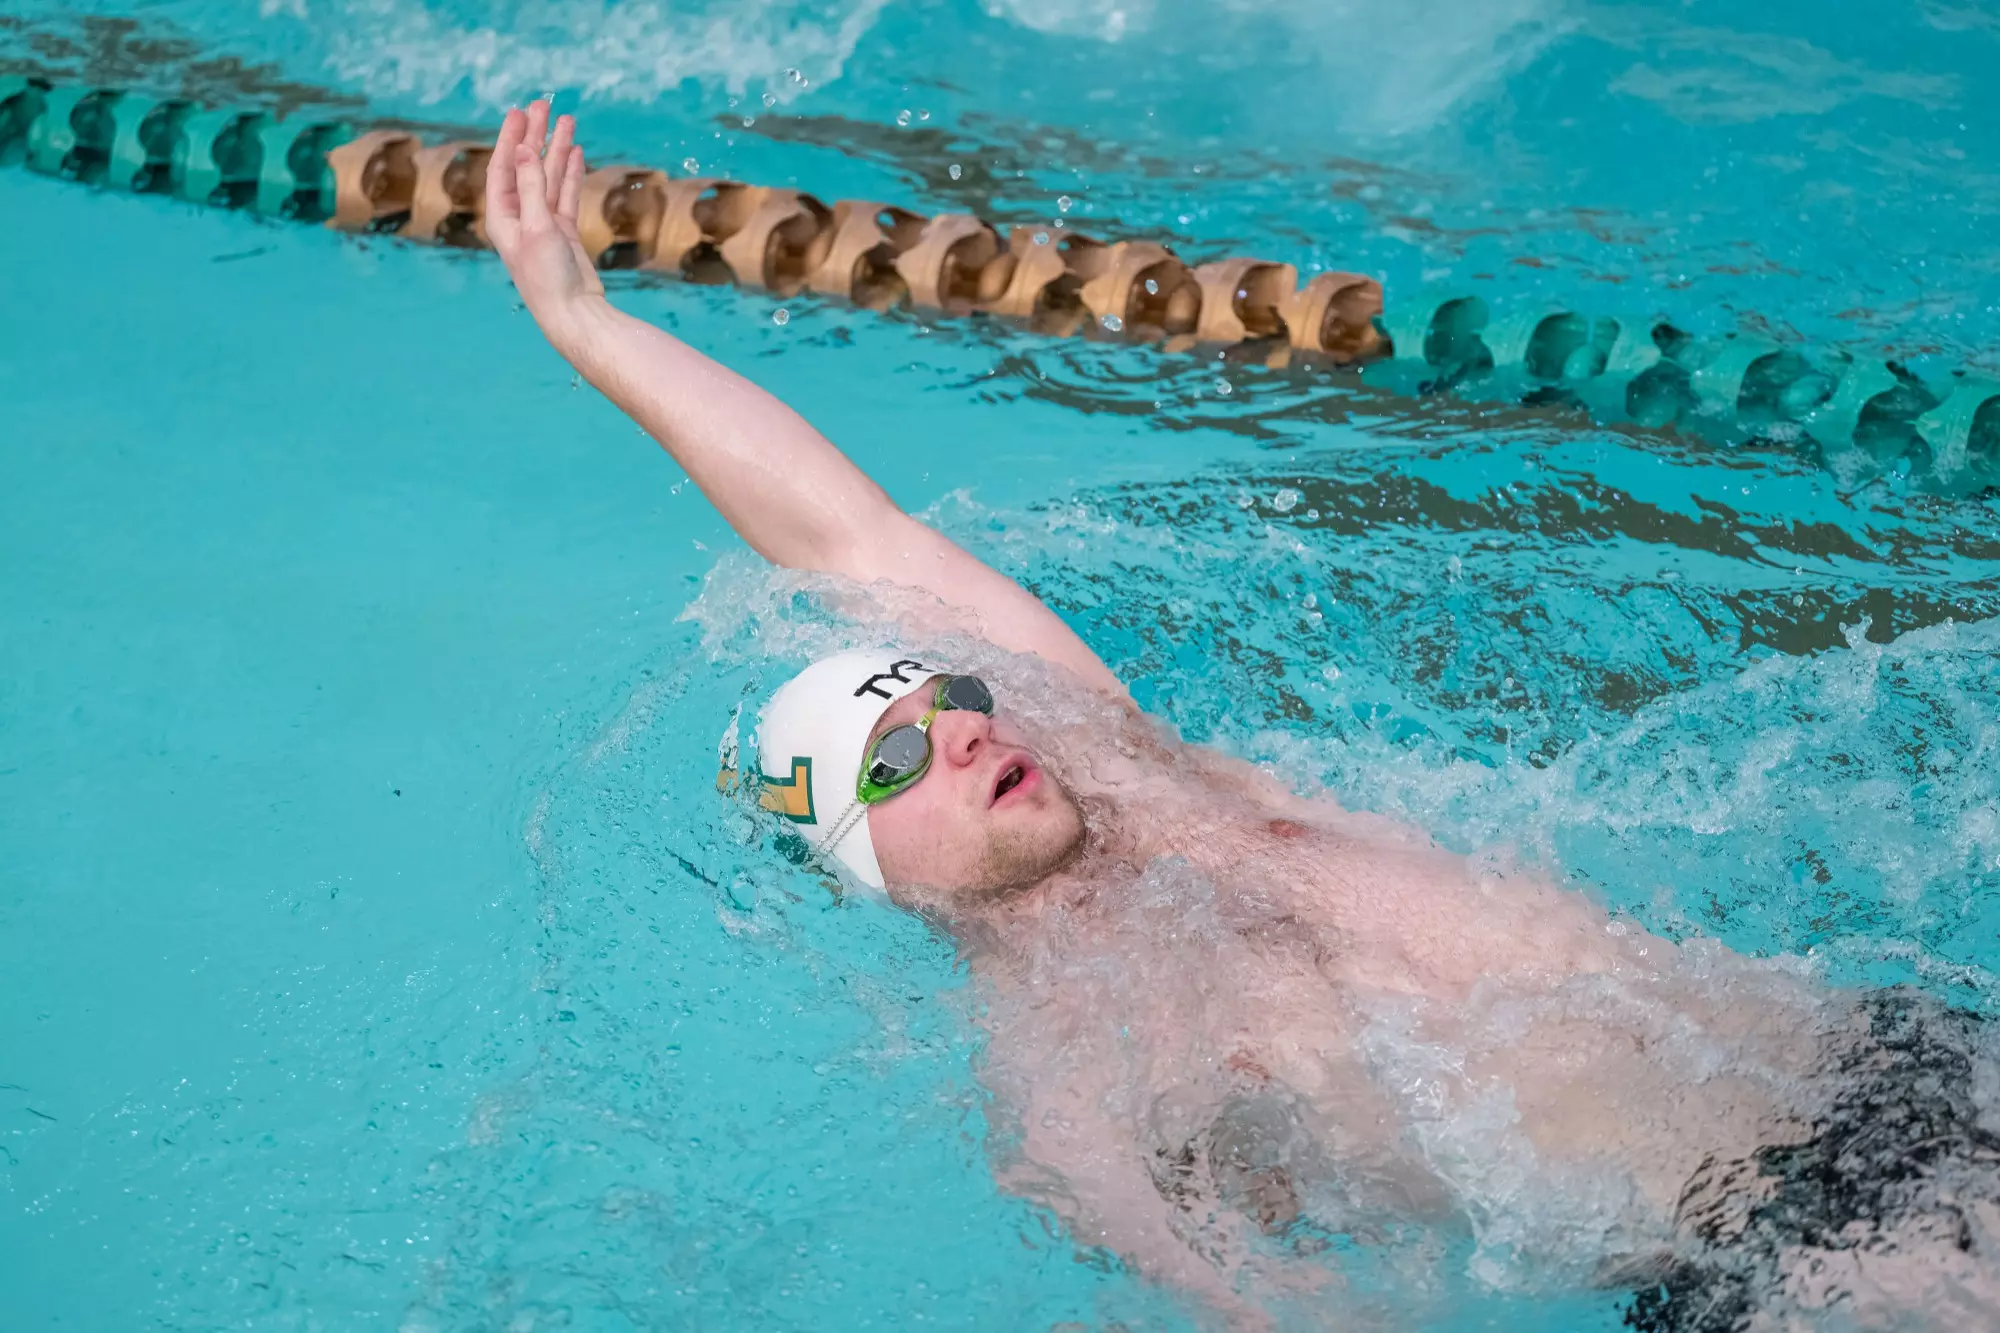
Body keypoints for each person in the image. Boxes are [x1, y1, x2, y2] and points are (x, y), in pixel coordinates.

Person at [484, 104, 2000, 1330]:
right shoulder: (1071, 1113)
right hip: (1780, 1270)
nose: (955, 727)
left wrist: (586, 324)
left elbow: (851, 544)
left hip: (1897, 1055)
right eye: (895, 758)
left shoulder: (1143, 768)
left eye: (947, 700)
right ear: (871, 868)